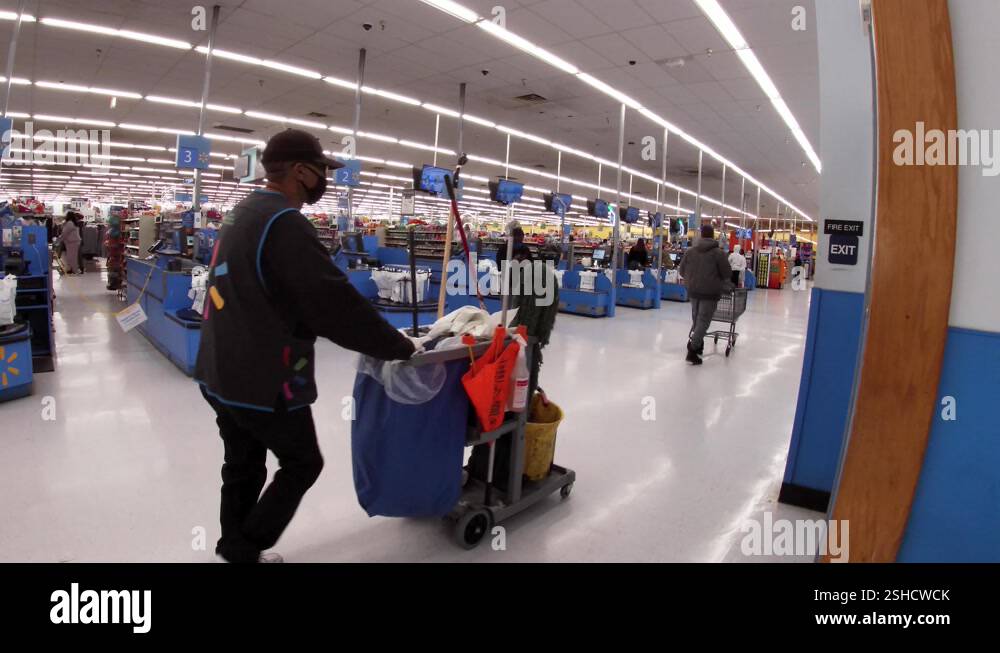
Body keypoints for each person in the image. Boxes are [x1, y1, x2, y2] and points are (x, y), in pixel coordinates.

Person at [194, 129, 416, 563]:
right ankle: (250, 546)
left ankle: (234, 548)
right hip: (263, 377)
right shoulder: (284, 223)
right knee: (303, 463)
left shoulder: (243, 211)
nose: (324, 180)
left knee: (242, 462)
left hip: (219, 368)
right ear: (300, 171)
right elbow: (332, 304)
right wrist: (398, 345)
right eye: (320, 172)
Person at [678, 225, 732, 365]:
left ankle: (697, 344)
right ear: (713, 235)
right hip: (710, 292)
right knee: (703, 321)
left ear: (701, 235)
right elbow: (727, 273)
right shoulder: (718, 253)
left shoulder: (690, 251)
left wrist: (691, 279)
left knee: (696, 319)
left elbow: (682, 271)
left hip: (693, 291)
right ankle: (693, 349)